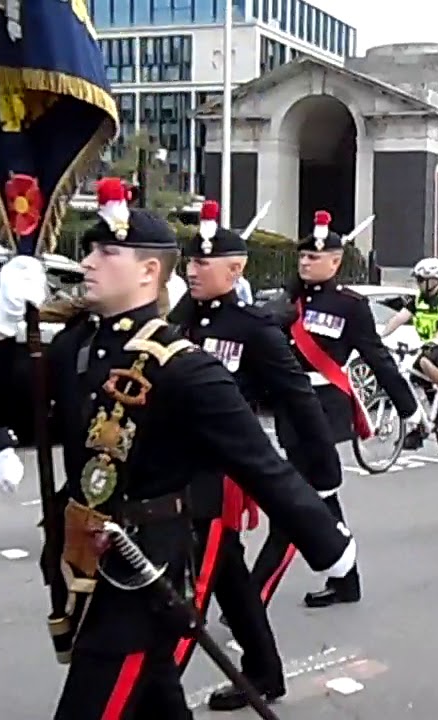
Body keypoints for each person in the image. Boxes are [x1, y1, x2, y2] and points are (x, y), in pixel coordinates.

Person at [0, 200, 357, 720]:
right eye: (88, 250)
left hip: (141, 563)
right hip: (83, 552)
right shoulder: (78, 345)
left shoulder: (183, 365)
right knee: (156, 699)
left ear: (150, 270)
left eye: (107, 251)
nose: (88, 261)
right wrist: (1, 326)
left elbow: (260, 462)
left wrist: (328, 542)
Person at [166, 198, 342, 709]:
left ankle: (146, 692)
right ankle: (264, 671)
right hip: (180, 467)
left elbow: (297, 396)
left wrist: (324, 470)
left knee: (196, 583)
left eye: (203, 263)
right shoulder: (183, 319)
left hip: (219, 476)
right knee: (229, 580)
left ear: (235, 269)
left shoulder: (253, 329)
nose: (192, 271)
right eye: (191, 262)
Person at [250, 209, 423, 609]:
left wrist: (409, 410)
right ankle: (347, 579)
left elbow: (378, 359)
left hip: (324, 411)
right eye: (303, 257)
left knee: (294, 503)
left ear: (335, 261)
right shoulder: (287, 300)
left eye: (314, 257)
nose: (306, 262)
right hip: (289, 409)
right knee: (324, 500)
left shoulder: (350, 306)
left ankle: (253, 594)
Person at [378, 256, 438, 422]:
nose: (418, 283)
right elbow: (399, 318)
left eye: (421, 280)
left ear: (435, 280)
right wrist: (380, 336)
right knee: (414, 376)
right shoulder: (419, 299)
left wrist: (436, 340)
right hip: (432, 346)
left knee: (425, 361)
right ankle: (426, 423)